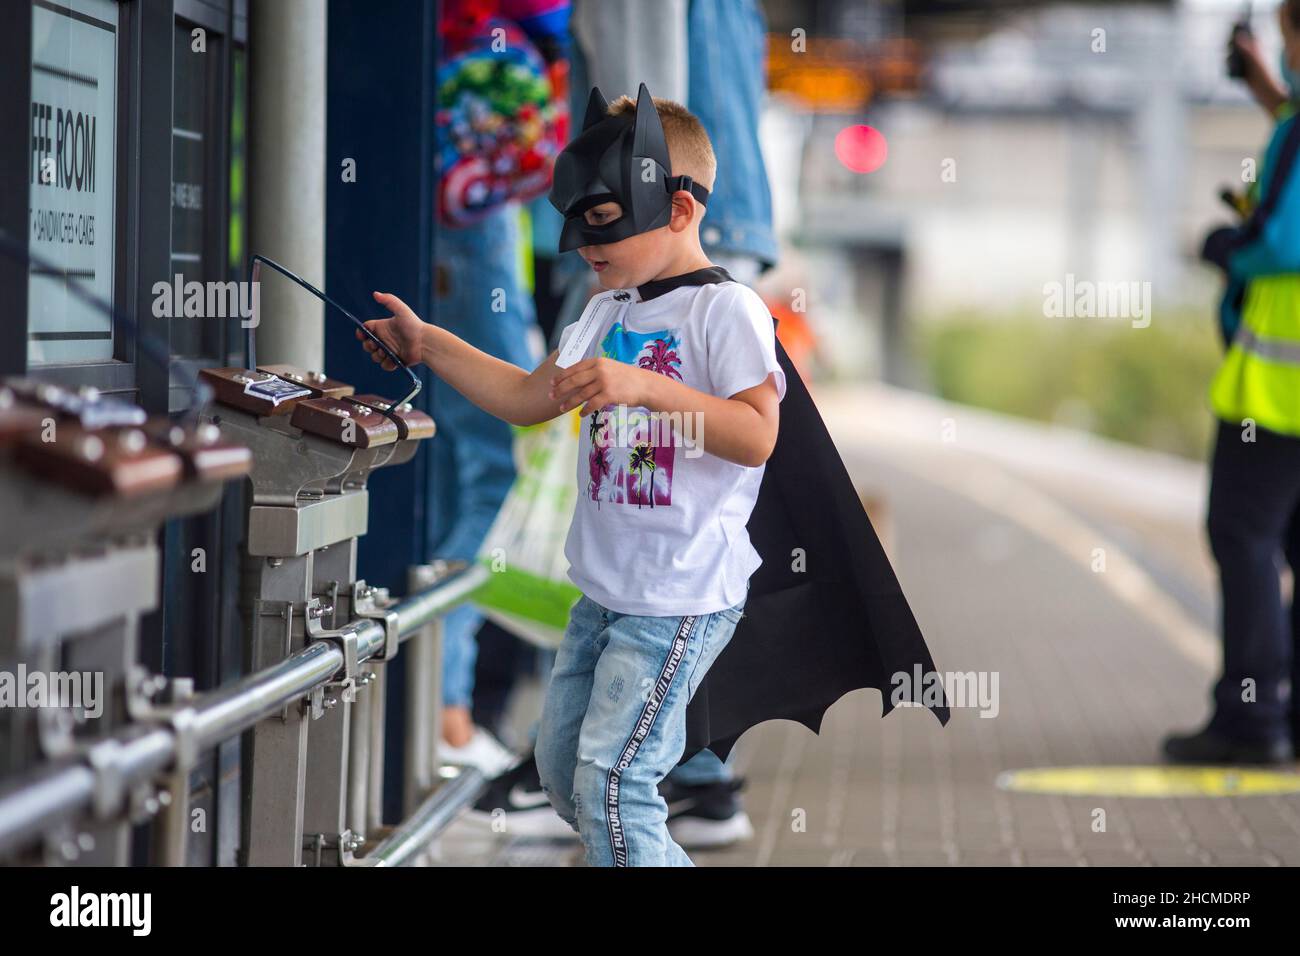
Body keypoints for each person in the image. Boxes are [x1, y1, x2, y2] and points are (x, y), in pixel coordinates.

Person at [360, 86, 784, 865]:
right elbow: (526, 399)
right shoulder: (604, 311)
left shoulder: (726, 314)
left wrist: (647, 388)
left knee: (614, 789)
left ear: (680, 211)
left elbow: (757, 437)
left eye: (606, 231)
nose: (586, 250)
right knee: (564, 776)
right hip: (601, 594)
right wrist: (431, 344)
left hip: (678, 597)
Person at [1163, 0, 1300, 765]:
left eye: (1288, 38)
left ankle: (1251, 720)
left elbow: (1281, 241)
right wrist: (1266, 88)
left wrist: (1227, 243)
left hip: (1278, 392)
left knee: (1244, 537)